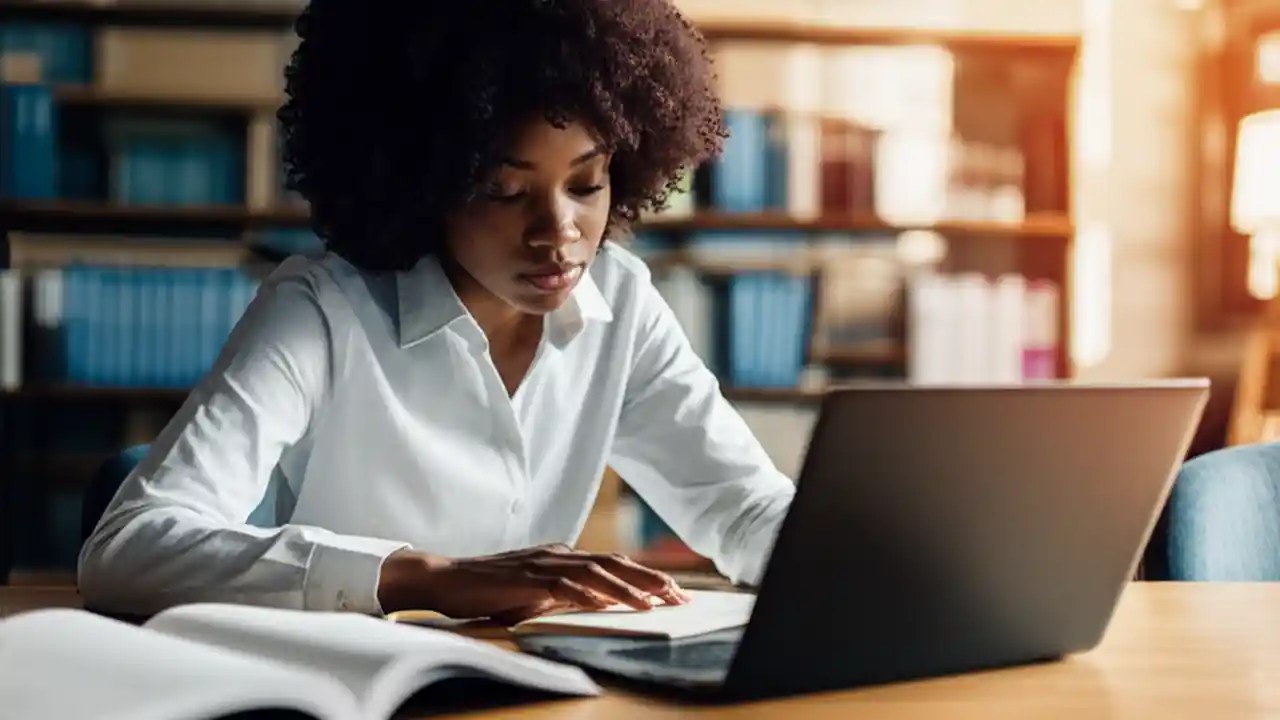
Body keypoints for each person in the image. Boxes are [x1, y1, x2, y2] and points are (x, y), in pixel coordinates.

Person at [78, 0, 796, 623]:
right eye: (503, 191)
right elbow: (130, 545)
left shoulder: (624, 305)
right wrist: (430, 577)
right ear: (425, 182)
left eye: (586, 183)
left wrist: (874, 564)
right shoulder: (323, 313)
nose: (558, 232)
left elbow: (746, 510)